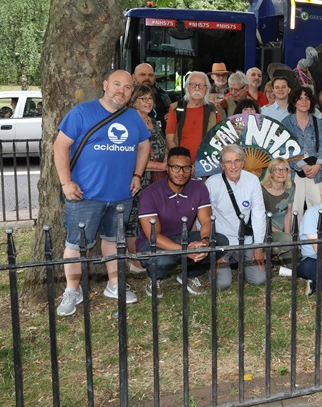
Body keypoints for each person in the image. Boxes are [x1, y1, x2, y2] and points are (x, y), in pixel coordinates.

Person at [55, 70, 151, 317]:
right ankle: (72, 290)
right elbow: (60, 146)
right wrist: (66, 182)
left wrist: (137, 176)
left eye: (127, 87)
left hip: (120, 195)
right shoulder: (82, 112)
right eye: (117, 84)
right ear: (105, 85)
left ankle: (114, 284)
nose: (122, 90)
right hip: (84, 195)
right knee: (76, 245)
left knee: (114, 241)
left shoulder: (133, 117)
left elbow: (144, 146)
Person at [136, 146, 228, 297]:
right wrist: (186, 251)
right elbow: (154, 237)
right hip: (154, 243)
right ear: (167, 168)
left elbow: (206, 222)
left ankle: (190, 275)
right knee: (165, 260)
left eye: (186, 168)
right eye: (176, 168)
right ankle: (154, 278)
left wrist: (204, 242)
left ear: (191, 169)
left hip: (183, 237)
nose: (181, 173)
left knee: (220, 242)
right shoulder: (150, 193)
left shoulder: (198, 188)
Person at [205, 145, 267, 289]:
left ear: (243, 162)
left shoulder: (252, 180)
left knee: (259, 279)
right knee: (222, 284)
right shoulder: (212, 183)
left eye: (237, 161)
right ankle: (214, 264)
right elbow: (205, 217)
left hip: (244, 240)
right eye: (228, 162)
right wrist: (211, 249)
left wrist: (258, 247)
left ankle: (239, 261)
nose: (233, 166)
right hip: (221, 241)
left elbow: (259, 214)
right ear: (221, 165)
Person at [126, 85, 168, 271]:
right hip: (139, 179)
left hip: (157, 179)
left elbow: (164, 145)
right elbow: (133, 158)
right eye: (143, 98)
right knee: (135, 217)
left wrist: (166, 161)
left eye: (150, 98)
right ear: (133, 101)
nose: (148, 101)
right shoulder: (130, 122)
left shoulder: (154, 122)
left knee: (153, 216)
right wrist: (162, 166)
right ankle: (133, 258)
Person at [282, 86, 322, 222]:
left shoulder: (318, 123)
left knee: (318, 209)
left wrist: (318, 166)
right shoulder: (286, 123)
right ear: (294, 102)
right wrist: (302, 165)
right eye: (300, 98)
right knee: (294, 210)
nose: (304, 101)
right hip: (293, 172)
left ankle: (316, 241)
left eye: (307, 98)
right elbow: (284, 147)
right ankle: (295, 241)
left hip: (316, 172)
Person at [165, 71, 222, 163]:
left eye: (201, 85)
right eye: (193, 85)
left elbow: (219, 139)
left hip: (206, 165)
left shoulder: (213, 110)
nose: (197, 88)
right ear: (187, 87)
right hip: (181, 167)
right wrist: (184, 164)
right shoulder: (175, 108)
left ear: (207, 89)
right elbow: (169, 139)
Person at [260, 157, 295, 263]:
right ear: (270, 172)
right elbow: (259, 217)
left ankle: (277, 251)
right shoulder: (261, 188)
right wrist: (282, 234)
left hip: (280, 230)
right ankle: (268, 251)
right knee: (288, 242)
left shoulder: (291, 187)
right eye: (277, 169)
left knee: (295, 264)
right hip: (263, 229)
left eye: (284, 169)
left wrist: (287, 235)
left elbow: (288, 212)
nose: (281, 173)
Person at [133, 62, 172, 131]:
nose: (147, 78)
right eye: (142, 74)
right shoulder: (127, 96)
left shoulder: (162, 95)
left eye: (150, 75)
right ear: (133, 77)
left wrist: (171, 115)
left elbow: (171, 111)